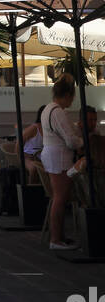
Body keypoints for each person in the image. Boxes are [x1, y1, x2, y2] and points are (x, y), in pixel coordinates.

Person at [40, 76, 84, 250]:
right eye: (72, 95)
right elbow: (70, 141)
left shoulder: (48, 109)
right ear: (67, 94)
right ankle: (56, 240)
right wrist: (81, 142)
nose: (73, 99)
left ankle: (59, 237)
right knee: (60, 198)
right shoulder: (58, 112)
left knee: (58, 198)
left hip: (52, 156)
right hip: (59, 158)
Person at [69, 107, 105, 176]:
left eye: (95, 120)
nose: (94, 123)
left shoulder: (95, 132)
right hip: (77, 169)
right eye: (91, 120)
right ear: (82, 120)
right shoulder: (74, 132)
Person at [21, 104, 46, 178]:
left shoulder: (50, 129)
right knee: (34, 169)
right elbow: (18, 145)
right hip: (28, 157)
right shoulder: (34, 128)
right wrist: (24, 156)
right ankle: (30, 188)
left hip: (43, 157)